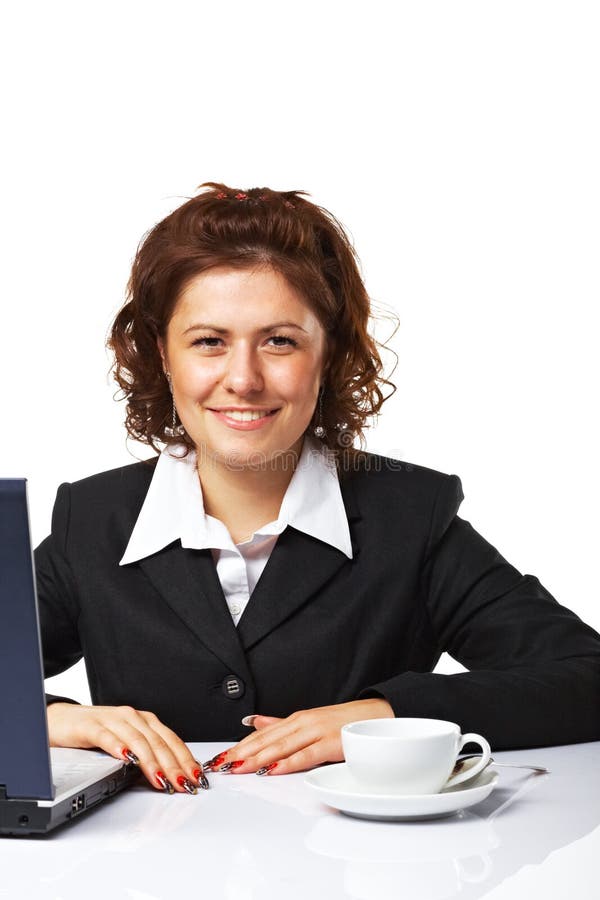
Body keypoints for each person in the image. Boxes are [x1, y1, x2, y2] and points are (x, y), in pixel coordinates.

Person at [37, 182, 600, 796]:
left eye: (280, 341)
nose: (244, 379)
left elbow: (586, 677)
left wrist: (383, 715)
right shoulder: (90, 520)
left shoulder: (411, 517)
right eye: (208, 342)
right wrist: (58, 720)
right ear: (163, 355)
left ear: (328, 355)